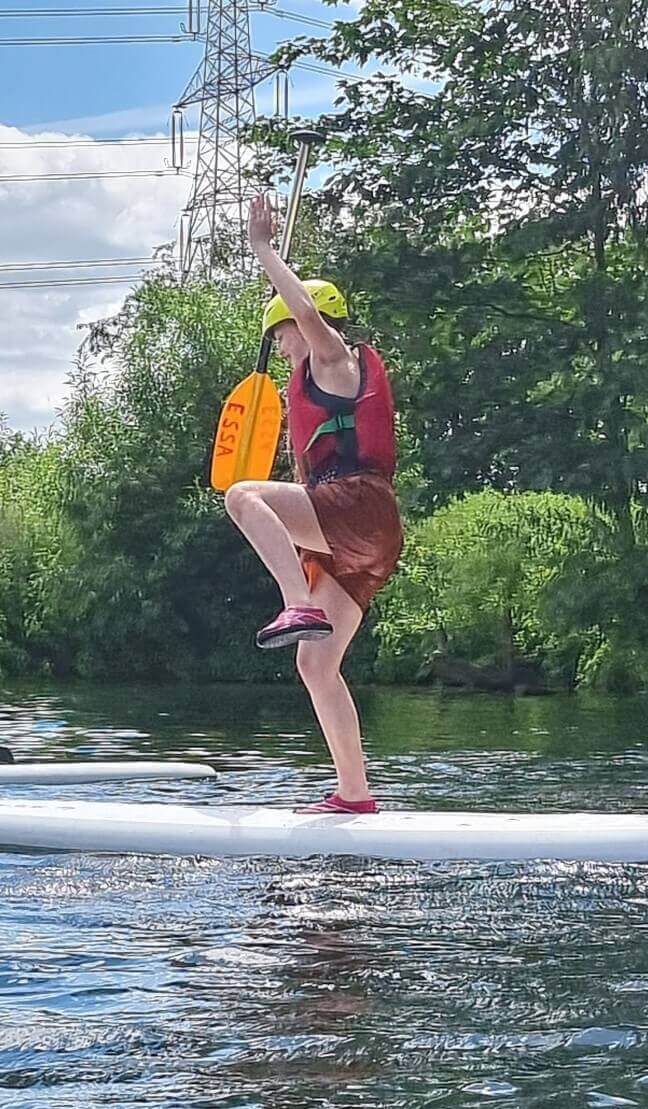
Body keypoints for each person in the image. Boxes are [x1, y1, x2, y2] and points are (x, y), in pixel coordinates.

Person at [223, 192, 404, 815]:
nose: (281, 348)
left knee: (242, 496)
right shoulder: (312, 386)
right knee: (316, 666)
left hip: (359, 507)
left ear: (305, 327)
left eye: (283, 337)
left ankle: (296, 606)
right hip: (361, 540)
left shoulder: (335, 360)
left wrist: (264, 250)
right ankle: (354, 794)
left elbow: (305, 313)